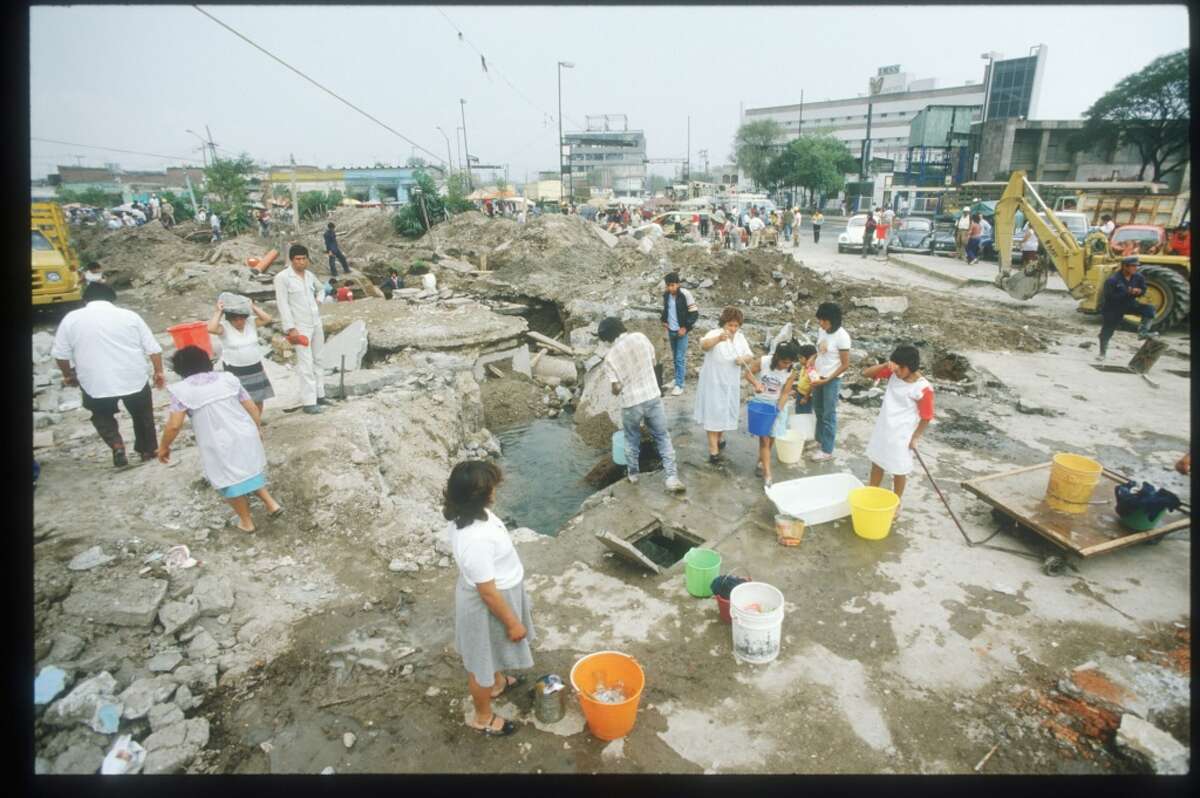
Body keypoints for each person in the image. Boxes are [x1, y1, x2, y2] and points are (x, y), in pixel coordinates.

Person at [442, 460, 535, 737]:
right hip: (488, 603)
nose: (496, 491)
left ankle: (496, 684)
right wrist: (513, 624)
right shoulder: (476, 540)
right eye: (492, 487)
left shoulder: (472, 514)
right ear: (479, 496)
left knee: (490, 651)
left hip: (499, 592)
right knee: (480, 662)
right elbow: (488, 593)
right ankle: (482, 716)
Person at [156, 345, 283, 533]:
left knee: (227, 480)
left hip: (217, 440)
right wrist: (256, 429)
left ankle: (246, 522)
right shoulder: (228, 379)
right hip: (243, 432)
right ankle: (271, 504)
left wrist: (164, 447)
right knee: (248, 468)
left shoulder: (181, 391)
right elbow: (252, 407)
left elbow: (174, 425)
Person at [51, 283, 165, 467]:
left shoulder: (71, 319)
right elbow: (153, 348)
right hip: (132, 374)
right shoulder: (129, 316)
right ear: (112, 299)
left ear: (85, 299)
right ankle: (147, 450)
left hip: (94, 379)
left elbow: (60, 354)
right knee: (142, 413)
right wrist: (158, 372)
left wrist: (68, 375)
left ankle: (117, 445)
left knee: (100, 414)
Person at [597, 318, 687, 492]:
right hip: (652, 395)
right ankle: (671, 477)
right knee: (662, 437)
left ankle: (633, 475)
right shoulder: (640, 337)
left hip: (631, 402)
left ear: (607, 338)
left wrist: (620, 386)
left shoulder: (610, 357)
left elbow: (616, 388)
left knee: (631, 440)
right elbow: (654, 362)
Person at [861, 346, 934, 504]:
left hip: (902, 434)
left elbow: (926, 417)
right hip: (883, 428)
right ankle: (871, 495)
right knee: (877, 462)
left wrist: (915, 437)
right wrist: (886, 365)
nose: (897, 372)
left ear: (911, 367)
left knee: (899, 470)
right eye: (895, 367)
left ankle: (896, 503)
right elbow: (866, 373)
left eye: (900, 368)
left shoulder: (922, 388)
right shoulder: (893, 373)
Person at [694, 306, 755, 465]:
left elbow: (750, 355)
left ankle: (719, 437)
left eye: (736, 325)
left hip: (730, 384)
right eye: (730, 325)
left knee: (724, 411)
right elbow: (703, 345)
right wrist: (718, 339)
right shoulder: (715, 334)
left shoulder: (740, 338)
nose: (733, 329)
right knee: (713, 412)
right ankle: (713, 451)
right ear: (724, 324)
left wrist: (743, 359)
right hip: (713, 382)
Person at [273, 244, 330, 414]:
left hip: (315, 322)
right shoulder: (283, 278)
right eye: (297, 259)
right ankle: (309, 402)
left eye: (304, 259)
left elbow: (322, 289)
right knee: (306, 363)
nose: (301, 262)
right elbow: (282, 304)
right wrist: (290, 328)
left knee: (319, 360)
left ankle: (320, 395)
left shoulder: (310, 276)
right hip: (300, 326)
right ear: (291, 260)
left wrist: (319, 299)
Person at [206, 294, 275, 417]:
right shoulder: (224, 327)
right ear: (230, 319)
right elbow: (211, 328)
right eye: (235, 319)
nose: (239, 322)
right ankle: (245, 421)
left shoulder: (251, 322)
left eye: (241, 319)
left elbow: (267, 318)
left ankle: (257, 420)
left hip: (254, 366)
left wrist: (252, 306)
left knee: (258, 397)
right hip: (235, 368)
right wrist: (219, 312)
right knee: (240, 399)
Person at [746, 342, 800, 487]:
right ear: (776, 357)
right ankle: (768, 475)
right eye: (783, 362)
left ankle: (761, 460)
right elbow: (748, 373)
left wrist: (778, 410)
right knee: (764, 440)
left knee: (772, 437)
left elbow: (785, 393)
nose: (785, 365)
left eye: (789, 363)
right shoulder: (764, 361)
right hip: (761, 403)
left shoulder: (791, 371)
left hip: (777, 405)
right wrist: (756, 384)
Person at [809, 302, 850, 462]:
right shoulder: (822, 331)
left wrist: (827, 380)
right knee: (818, 410)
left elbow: (845, 364)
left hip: (831, 380)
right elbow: (820, 350)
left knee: (829, 414)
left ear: (833, 320)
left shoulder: (843, 337)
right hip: (818, 376)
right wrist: (812, 359)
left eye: (824, 321)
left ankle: (827, 450)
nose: (821, 324)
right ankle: (819, 440)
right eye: (820, 320)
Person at [1097, 256, 1157, 360]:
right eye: (1133, 266)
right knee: (1107, 330)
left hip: (1129, 304)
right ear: (1125, 266)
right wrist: (1127, 293)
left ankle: (1143, 332)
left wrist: (1139, 291)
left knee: (1149, 309)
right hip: (1113, 307)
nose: (1135, 268)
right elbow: (1109, 297)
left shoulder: (1138, 277)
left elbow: (1143, 289)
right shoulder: (1113, 280)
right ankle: (1102, 353)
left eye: (1136, 266)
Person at [660, 272, 699, 397]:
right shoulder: (666, 295)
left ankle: (680, 385)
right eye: (668, 286)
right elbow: (666, 310)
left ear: (678, 284)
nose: (670, 288)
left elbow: (694, 314)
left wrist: (685, 328)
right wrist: (664, 321)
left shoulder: (685, 295)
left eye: (672, 285)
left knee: (680, 358)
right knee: (675, 357)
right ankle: (676, 379)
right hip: (671, 330)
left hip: (681, 332)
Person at [792, 344, 819, 415]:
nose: (799, 360)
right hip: (800, 394)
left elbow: (813, 385)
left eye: (801, 358)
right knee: (798, 411)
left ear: (809, 358)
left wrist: (806, 398)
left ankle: (803, 425)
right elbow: (802, 381)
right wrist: (797, 391)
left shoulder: (812, 370)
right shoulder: (804, 367)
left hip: (806, 397)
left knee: (804, 414)